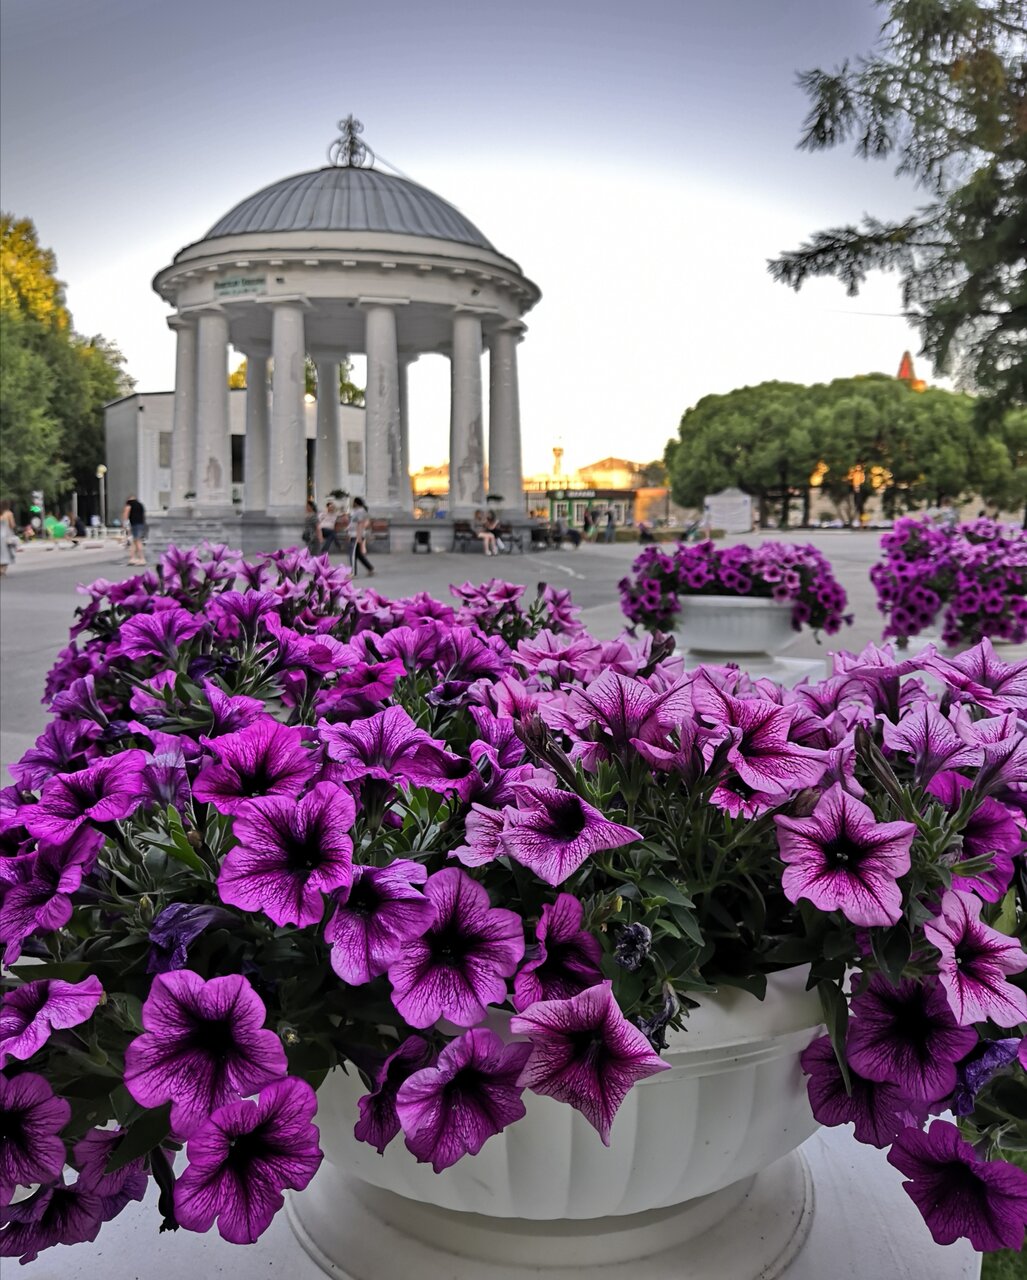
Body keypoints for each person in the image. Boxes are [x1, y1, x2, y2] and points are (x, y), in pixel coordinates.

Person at [348, 497, 375, 577]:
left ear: (356, 503)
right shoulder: (356, 511)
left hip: (356, 535)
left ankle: (353, 572)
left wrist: (358, 537)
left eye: (353, 502)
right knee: (358, 554)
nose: (352, 504)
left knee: (352, 554)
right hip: (353, 534)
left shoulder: (360, 511)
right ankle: (370, 568)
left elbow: (360, 524)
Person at [122, 494, 146, 566]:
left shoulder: (130, 504)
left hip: (134, 524)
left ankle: (142, 558)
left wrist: (125, 523)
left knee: (137, 541)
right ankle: (132, 558)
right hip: (141, 524)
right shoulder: (140, 505)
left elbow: (126, 513)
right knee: (134, 541)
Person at [0, 502, 17, 577]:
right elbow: (12, 525)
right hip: (5, 535)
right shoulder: (9, 513)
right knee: (6, 553)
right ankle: (2, 570)